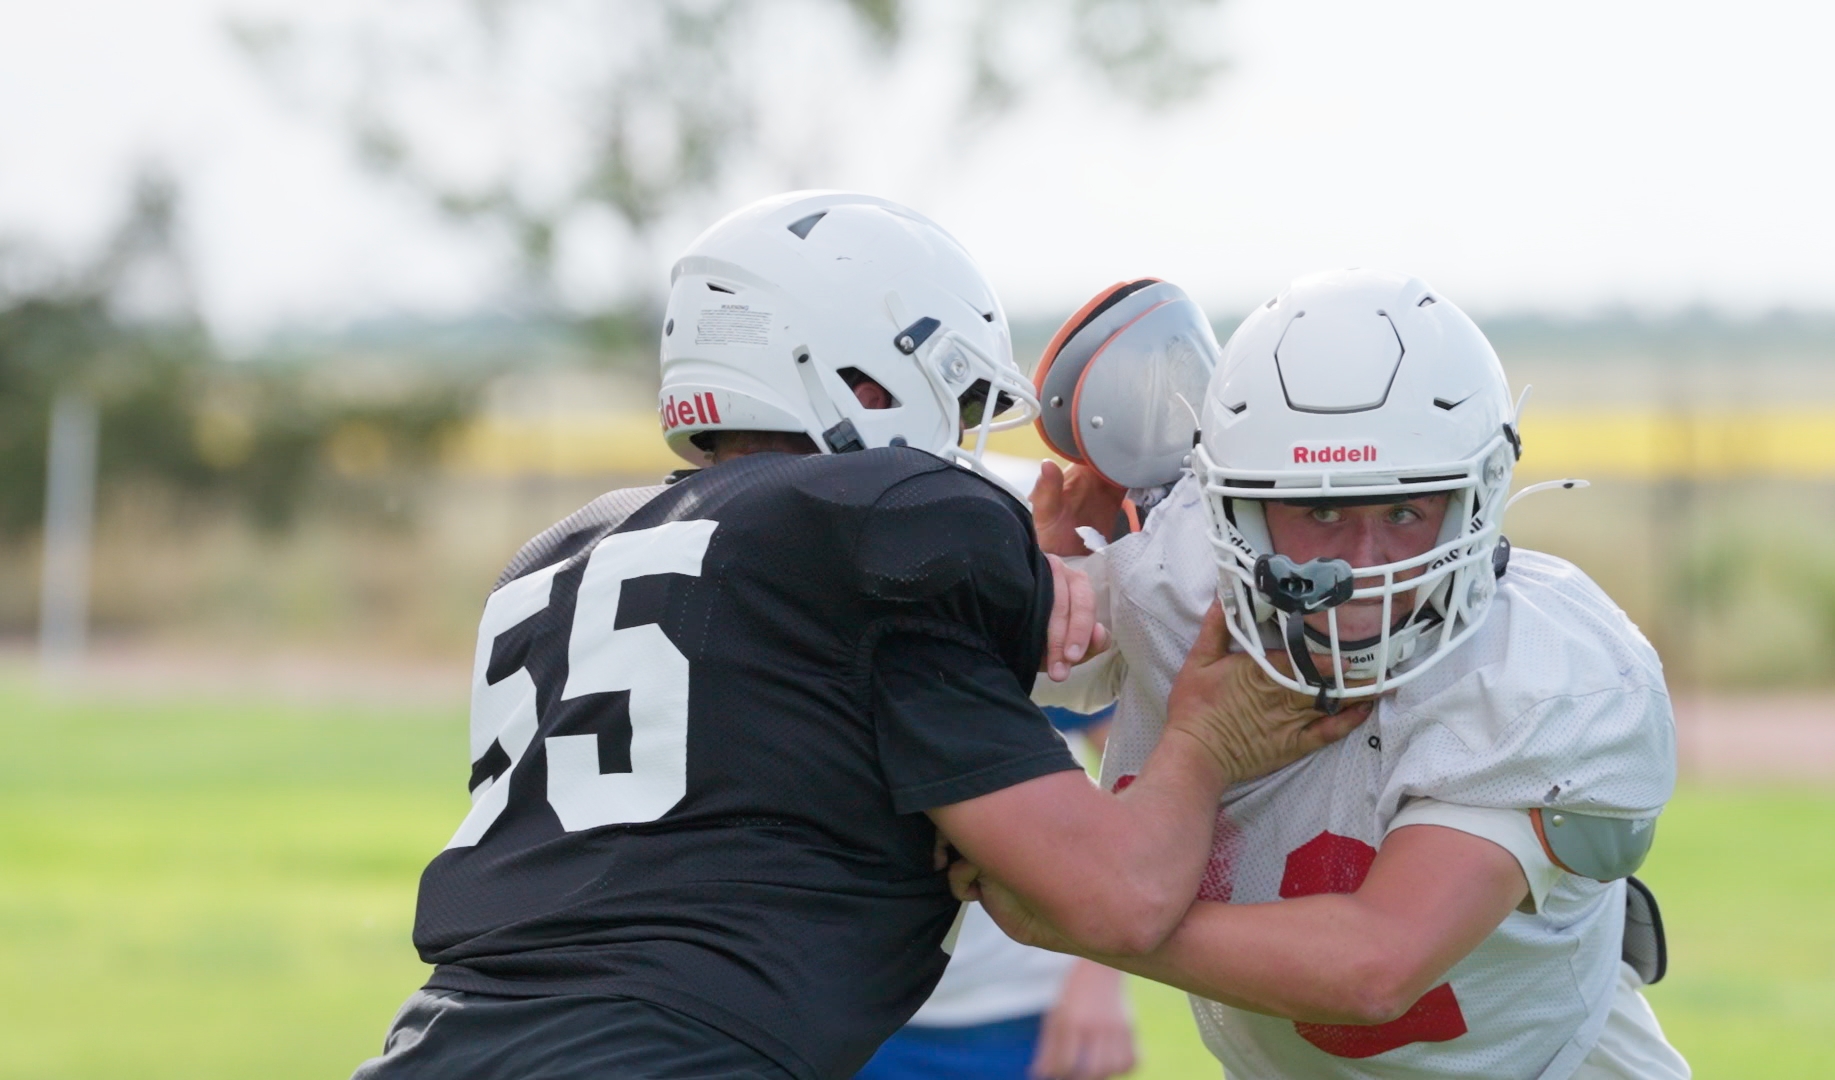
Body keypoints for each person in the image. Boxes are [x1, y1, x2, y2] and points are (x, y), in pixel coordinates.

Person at [351, 193, 1366, 1080]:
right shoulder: (883, 526)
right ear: (867, 385)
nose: (958, 442)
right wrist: (1206, 742)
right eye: (958, 401)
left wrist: (1021, 602)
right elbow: (1122, 894)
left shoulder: (560, 557)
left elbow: (799, 721)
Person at [963, 268, 1690, 1079]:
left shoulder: (1546, 673)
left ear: (1478, 499)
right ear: (1231, 507)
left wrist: (1082, 909)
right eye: (1320, 510)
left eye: (1405, 511)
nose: (1362, 566)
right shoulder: (1170, 579)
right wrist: (1037, 592)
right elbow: (973, 687)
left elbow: (1374, 967)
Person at [855, 708, 1136, 1080]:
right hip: (850, 1004)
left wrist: (1099, 971)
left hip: (1018, 1012)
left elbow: (1137, 788)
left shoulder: (1026, 671)